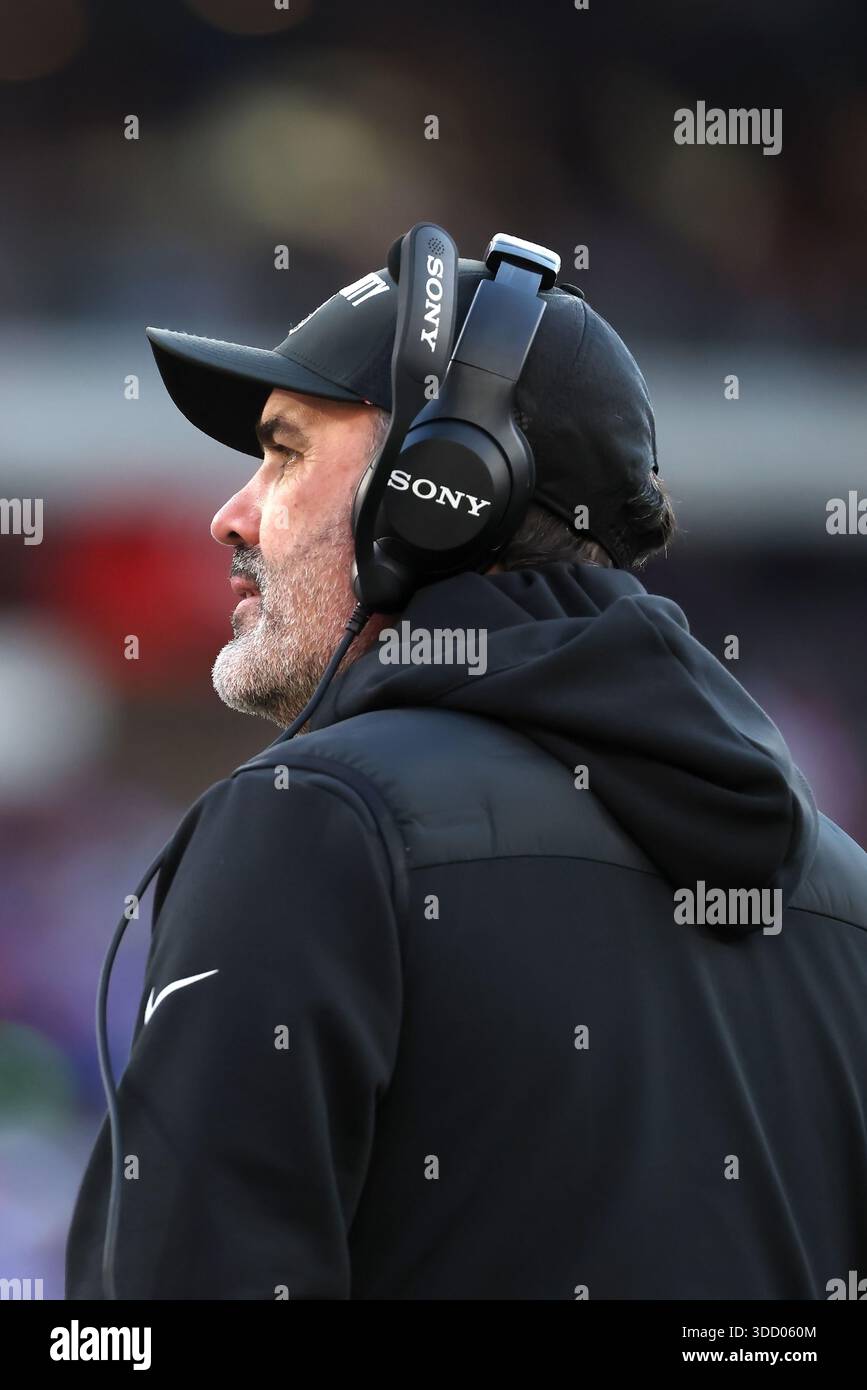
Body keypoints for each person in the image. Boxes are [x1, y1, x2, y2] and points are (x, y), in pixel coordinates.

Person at [66, 246, 867, 1300]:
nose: (232, 513)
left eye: (285, 454)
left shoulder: (318, 824)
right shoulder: (846, 895)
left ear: (438, 497)